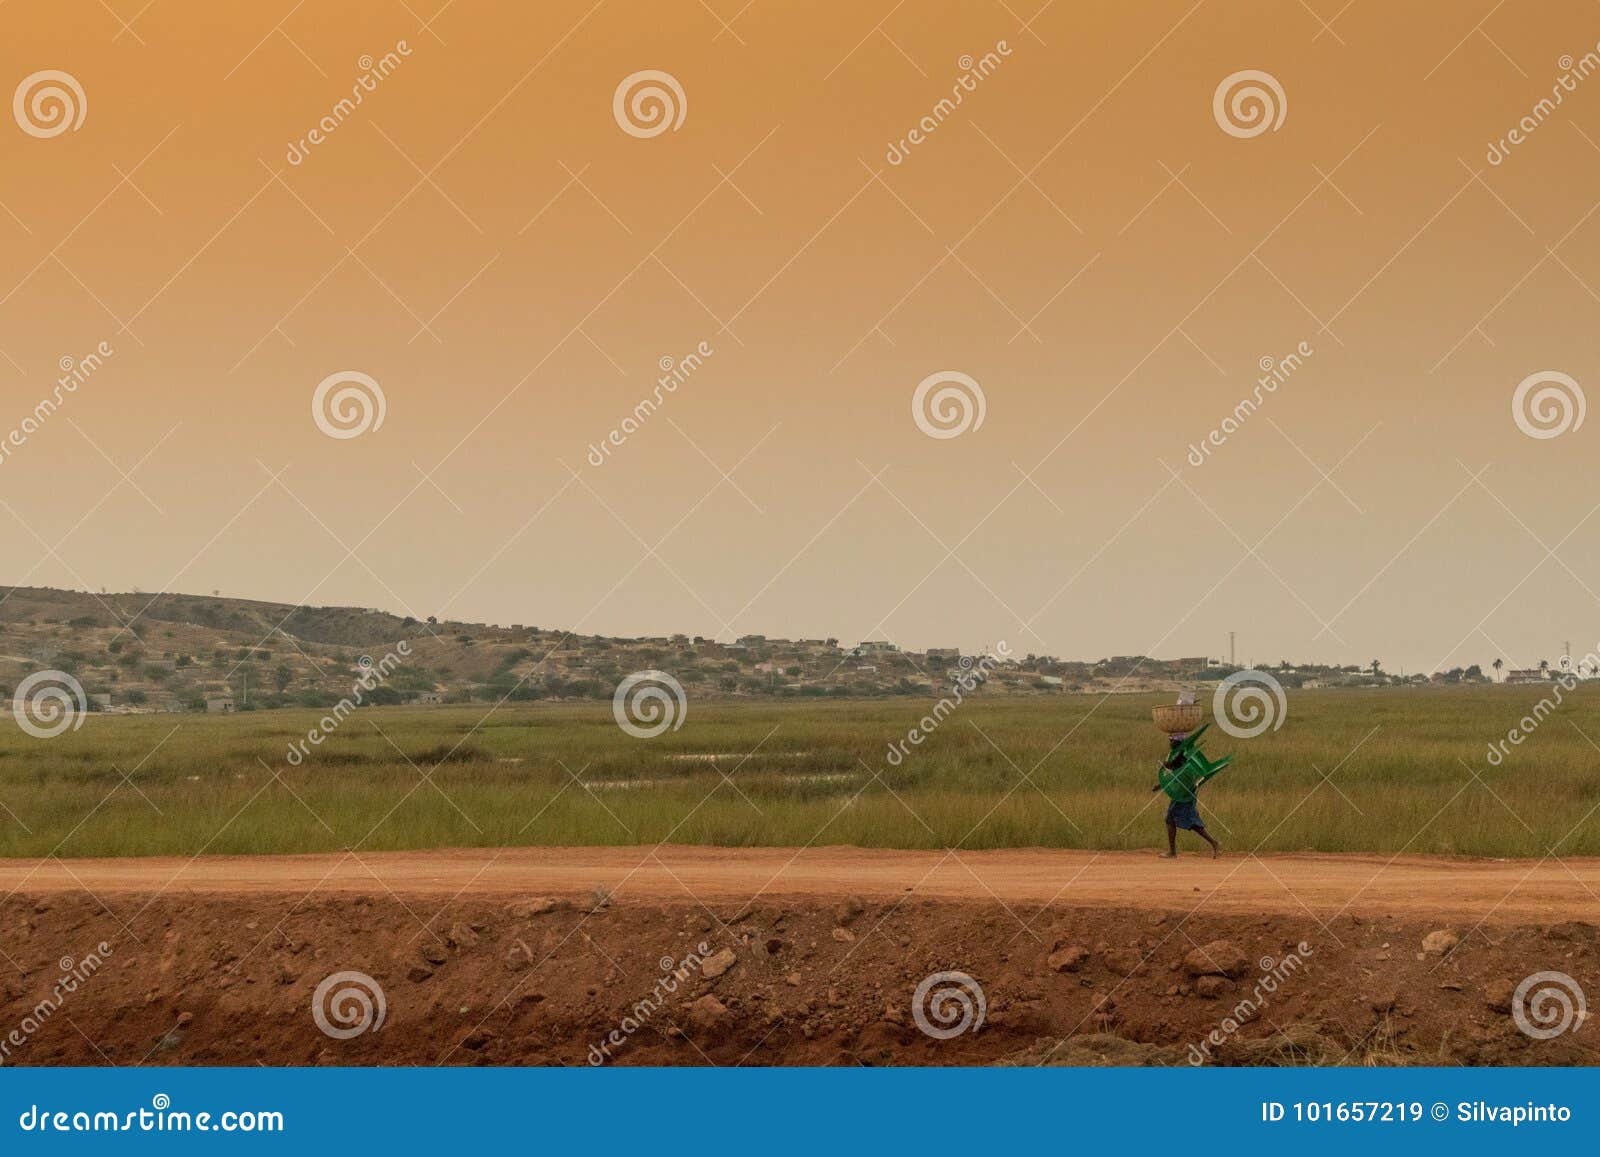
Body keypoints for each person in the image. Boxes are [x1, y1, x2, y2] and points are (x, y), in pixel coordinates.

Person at [1154, 732, 1222, 859]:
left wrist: (1166, 767)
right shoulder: (1182, 754)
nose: (1170, 744)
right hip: (1183, 793)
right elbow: (1175, 773)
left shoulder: (1183, 756)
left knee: (1173, 819)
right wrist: (1162, 784)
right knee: (1183, 820)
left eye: (1172, 741)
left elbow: (1179, 772)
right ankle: (1213, 843)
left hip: (1184, 793)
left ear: (1179, 742)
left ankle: (1174, 852)